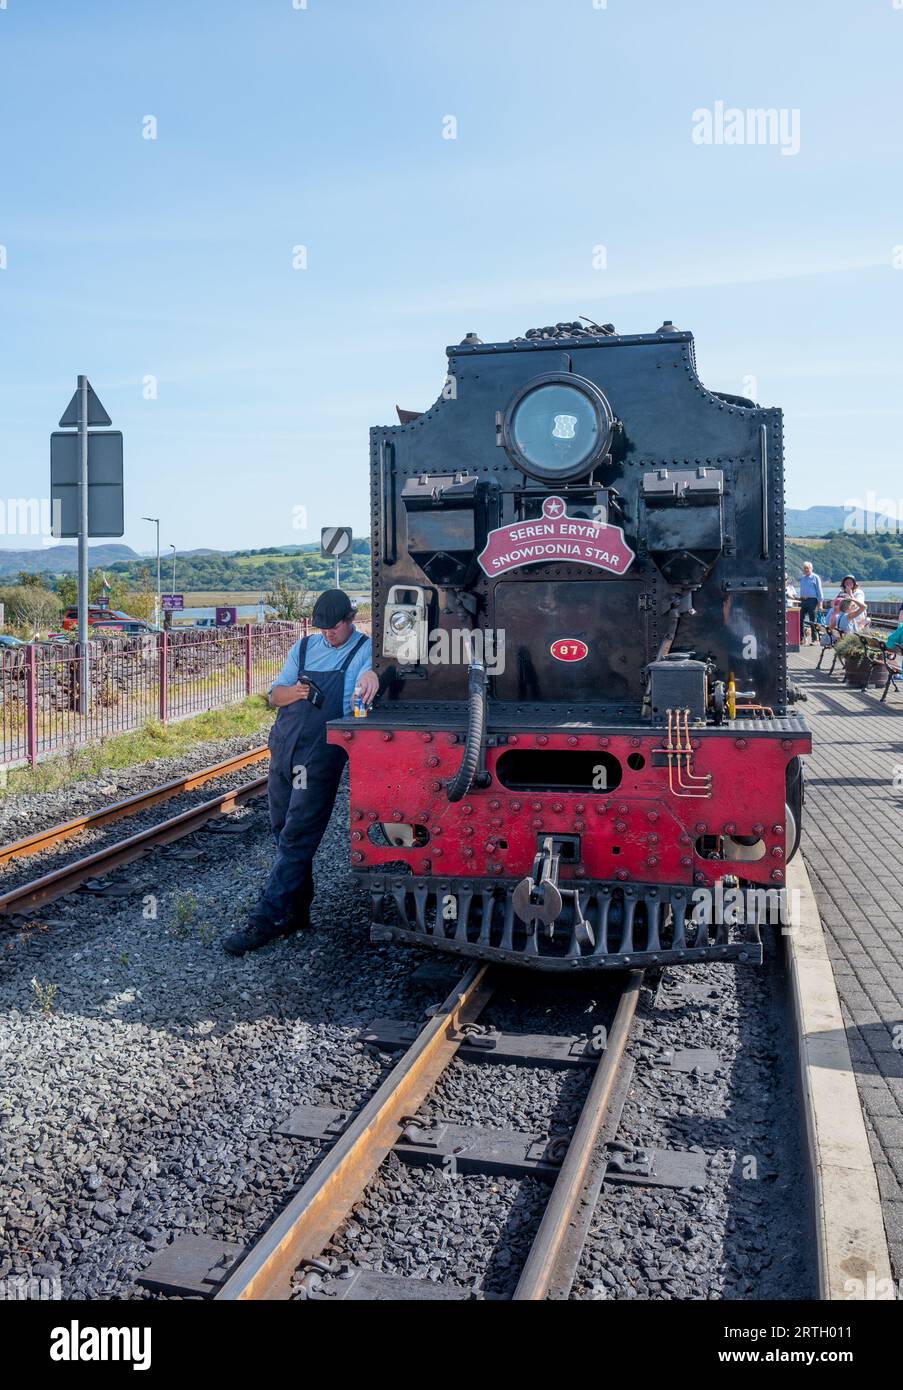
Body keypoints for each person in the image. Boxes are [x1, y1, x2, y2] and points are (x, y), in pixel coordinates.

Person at [223, 590, 378, 955]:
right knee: (281, 830)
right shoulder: (305, 647)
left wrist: (373, 676)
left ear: (349, 619)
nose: (328, 634)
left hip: (322, 754)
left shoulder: (363, 651)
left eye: (334, 628)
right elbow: (273, 696)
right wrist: (295, 692)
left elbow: (362, 696)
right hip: (284, 746)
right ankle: (297, 911)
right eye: (322, 628)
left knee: (297, 835)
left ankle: (265, 919)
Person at [798, 562, 823, 644]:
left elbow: (819, 590)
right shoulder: (803, 578)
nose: (806, 570)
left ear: (811, 569)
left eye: (807, 568)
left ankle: (815, 639)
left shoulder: (815, 577)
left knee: (812, 619)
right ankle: (801, 638)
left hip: (812, 600)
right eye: (804, 568)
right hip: (803, 600)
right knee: (800, 619)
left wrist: (820, 603)